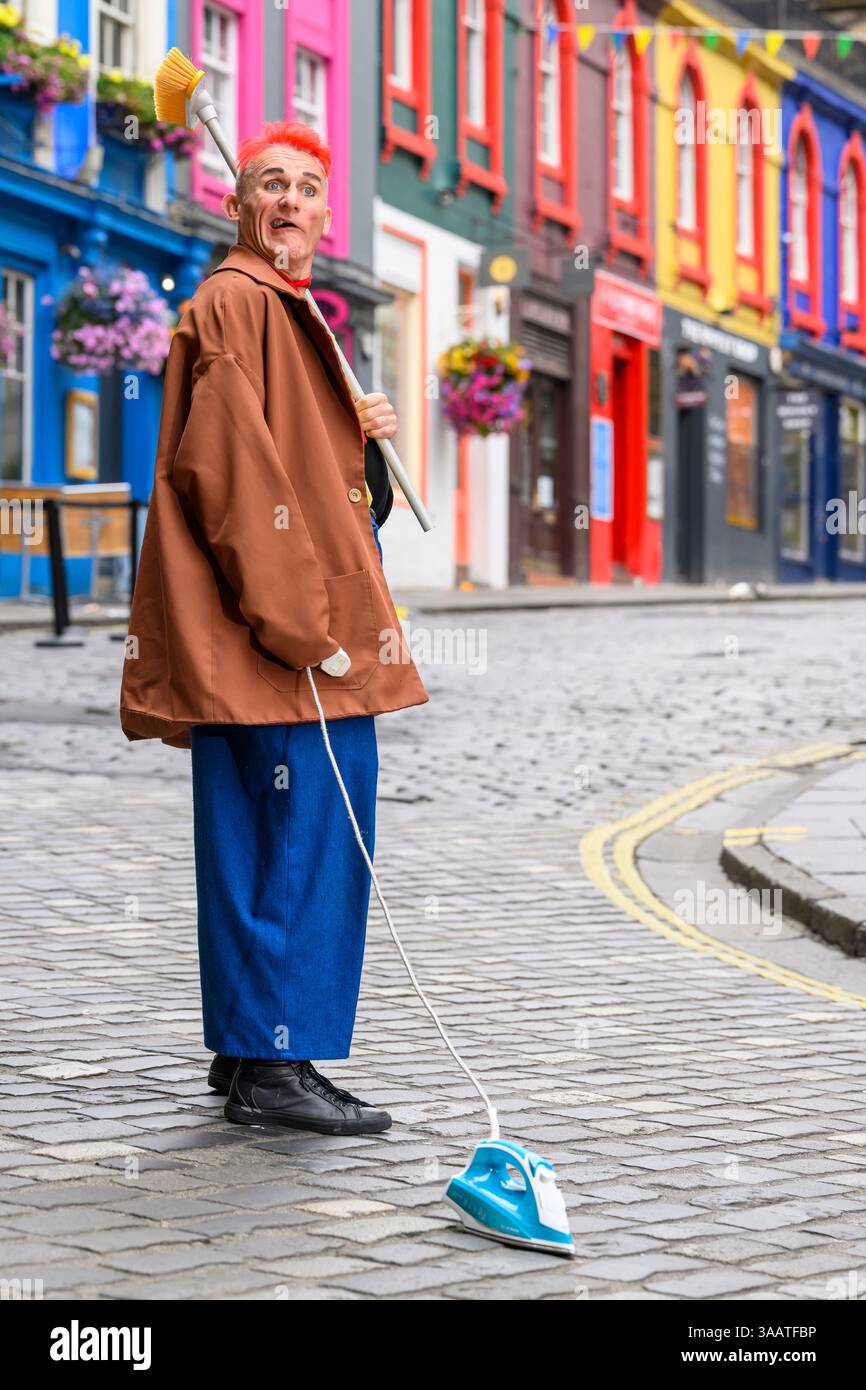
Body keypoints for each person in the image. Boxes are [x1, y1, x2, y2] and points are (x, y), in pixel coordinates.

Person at [119, 120, 429, 1136]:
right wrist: (306, 634)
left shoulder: (286, 311)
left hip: (289, 641)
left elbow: (326, 495)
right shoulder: (237, 304)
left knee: (273, 840)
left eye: (307, 185)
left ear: (327, 214)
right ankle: (272, 1066)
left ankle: (252, 1046)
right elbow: (232, 483)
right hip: (287, 647)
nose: (290, 198)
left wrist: (362, 446)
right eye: (270, 183)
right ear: (238, 203)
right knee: (296, 845)